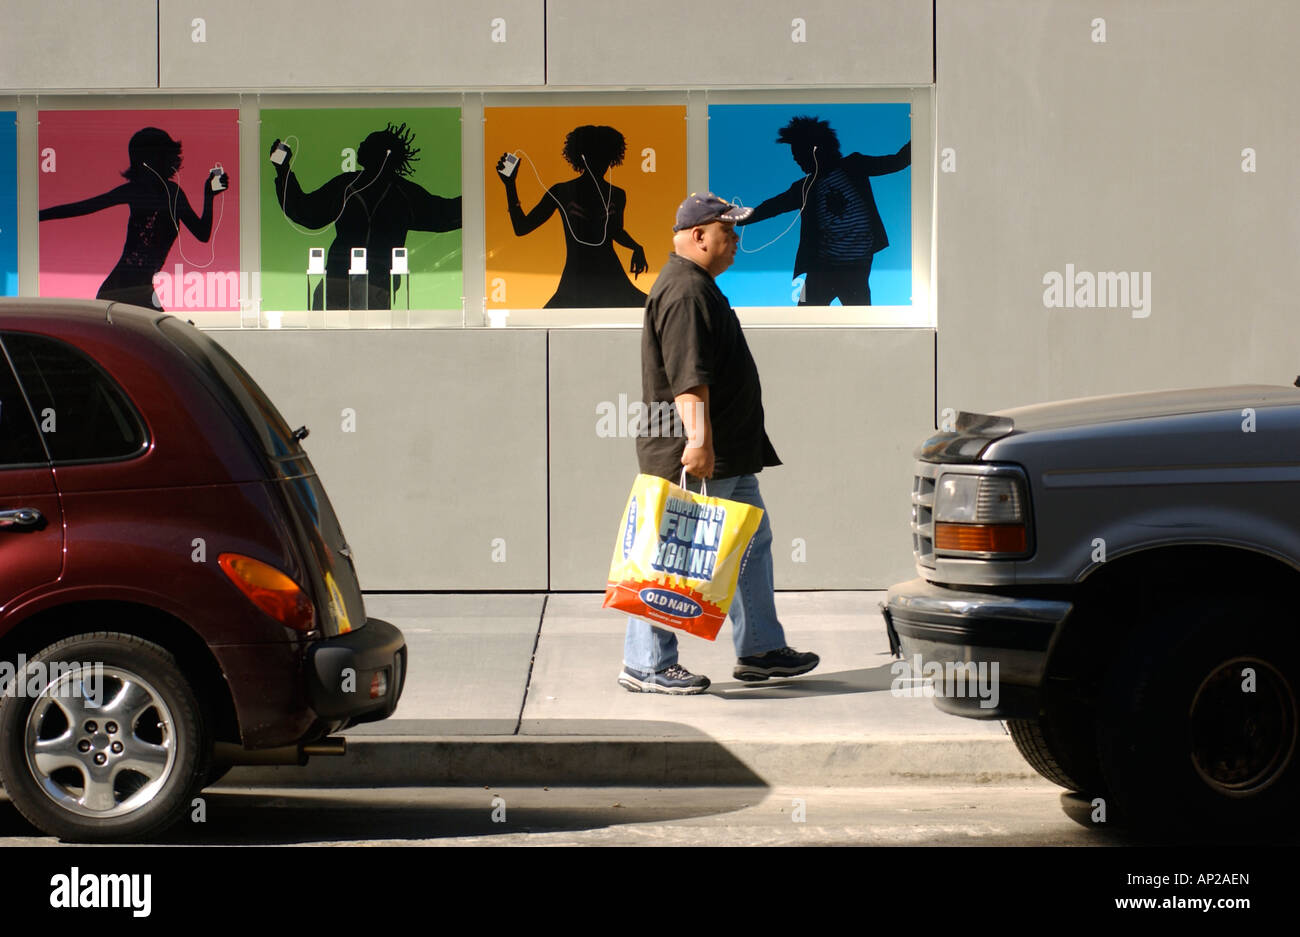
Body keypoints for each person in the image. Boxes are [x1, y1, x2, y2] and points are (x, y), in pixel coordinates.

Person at [619, 192, 820, 694]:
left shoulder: (698, 286)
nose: (736, 242)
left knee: (752, 544)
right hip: (700, 454)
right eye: (728, 233)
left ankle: (760, 650)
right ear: (697, 235)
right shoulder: (686, 291)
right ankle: (645, 663)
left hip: (728, 454)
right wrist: (700, 442)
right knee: (674, 553)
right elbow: (690, 378)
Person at [270, 122, 461, 311]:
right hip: (373, 288)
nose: (360, 145)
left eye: (367, 143)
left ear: (382, 154)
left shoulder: (348, 186)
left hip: (340, 283)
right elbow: (447, 214)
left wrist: (283, 169)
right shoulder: (403, 193)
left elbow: (306, 213)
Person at [39, 127, 228, 311]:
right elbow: (82, 207)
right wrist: (35, 216)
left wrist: (209, 196)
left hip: (137, 290)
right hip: (122, 291)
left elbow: (202, 234)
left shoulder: (172, 193)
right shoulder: (142, 191)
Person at [737, 116, 910, 306]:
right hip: (823, 267)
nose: (796, 160)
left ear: (815, 150)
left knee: (861, 323)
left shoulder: (855, 165)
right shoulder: (804, 188)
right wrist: (734, 218)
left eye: (798, 154)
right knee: (805, 320)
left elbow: (896, 162)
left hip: (857, 266)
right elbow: (772, 207)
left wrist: (926, 132)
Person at [495, 125, 648, 308]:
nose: (602, 164)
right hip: (577, 278)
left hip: (609, 276)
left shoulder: (616, 194)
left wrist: (636, 247)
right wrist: (510, 185)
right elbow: (522, 227)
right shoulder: (561, 191)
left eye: (605, 157)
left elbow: (615, 231)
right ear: (583, 158)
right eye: (597, 157)